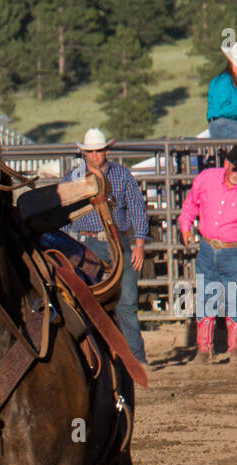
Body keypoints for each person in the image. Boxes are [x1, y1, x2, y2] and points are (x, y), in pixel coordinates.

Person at [61, 127, 149, 363]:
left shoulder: (121, 175)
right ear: (84, 153)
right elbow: (63, 215)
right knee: (88, 304)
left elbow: (137, 208)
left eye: (99, 150)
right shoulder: (72, 178)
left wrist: (139, 243)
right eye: (90, 151)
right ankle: (100, 358)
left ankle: (136, 359)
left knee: (127, 303)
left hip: (118, 241)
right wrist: (65, 247)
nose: (95, 155)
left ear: (106, 151)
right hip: (85, 244)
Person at [180, 145, 237, 364]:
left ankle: (235, 349)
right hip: (208, 246)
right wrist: (185, 227)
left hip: (236, 248)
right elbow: (190, 205)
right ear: (226, 164)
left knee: (235, 297)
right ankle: (204, 349)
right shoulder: (206, 178)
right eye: (235, 169)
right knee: (206, 296)